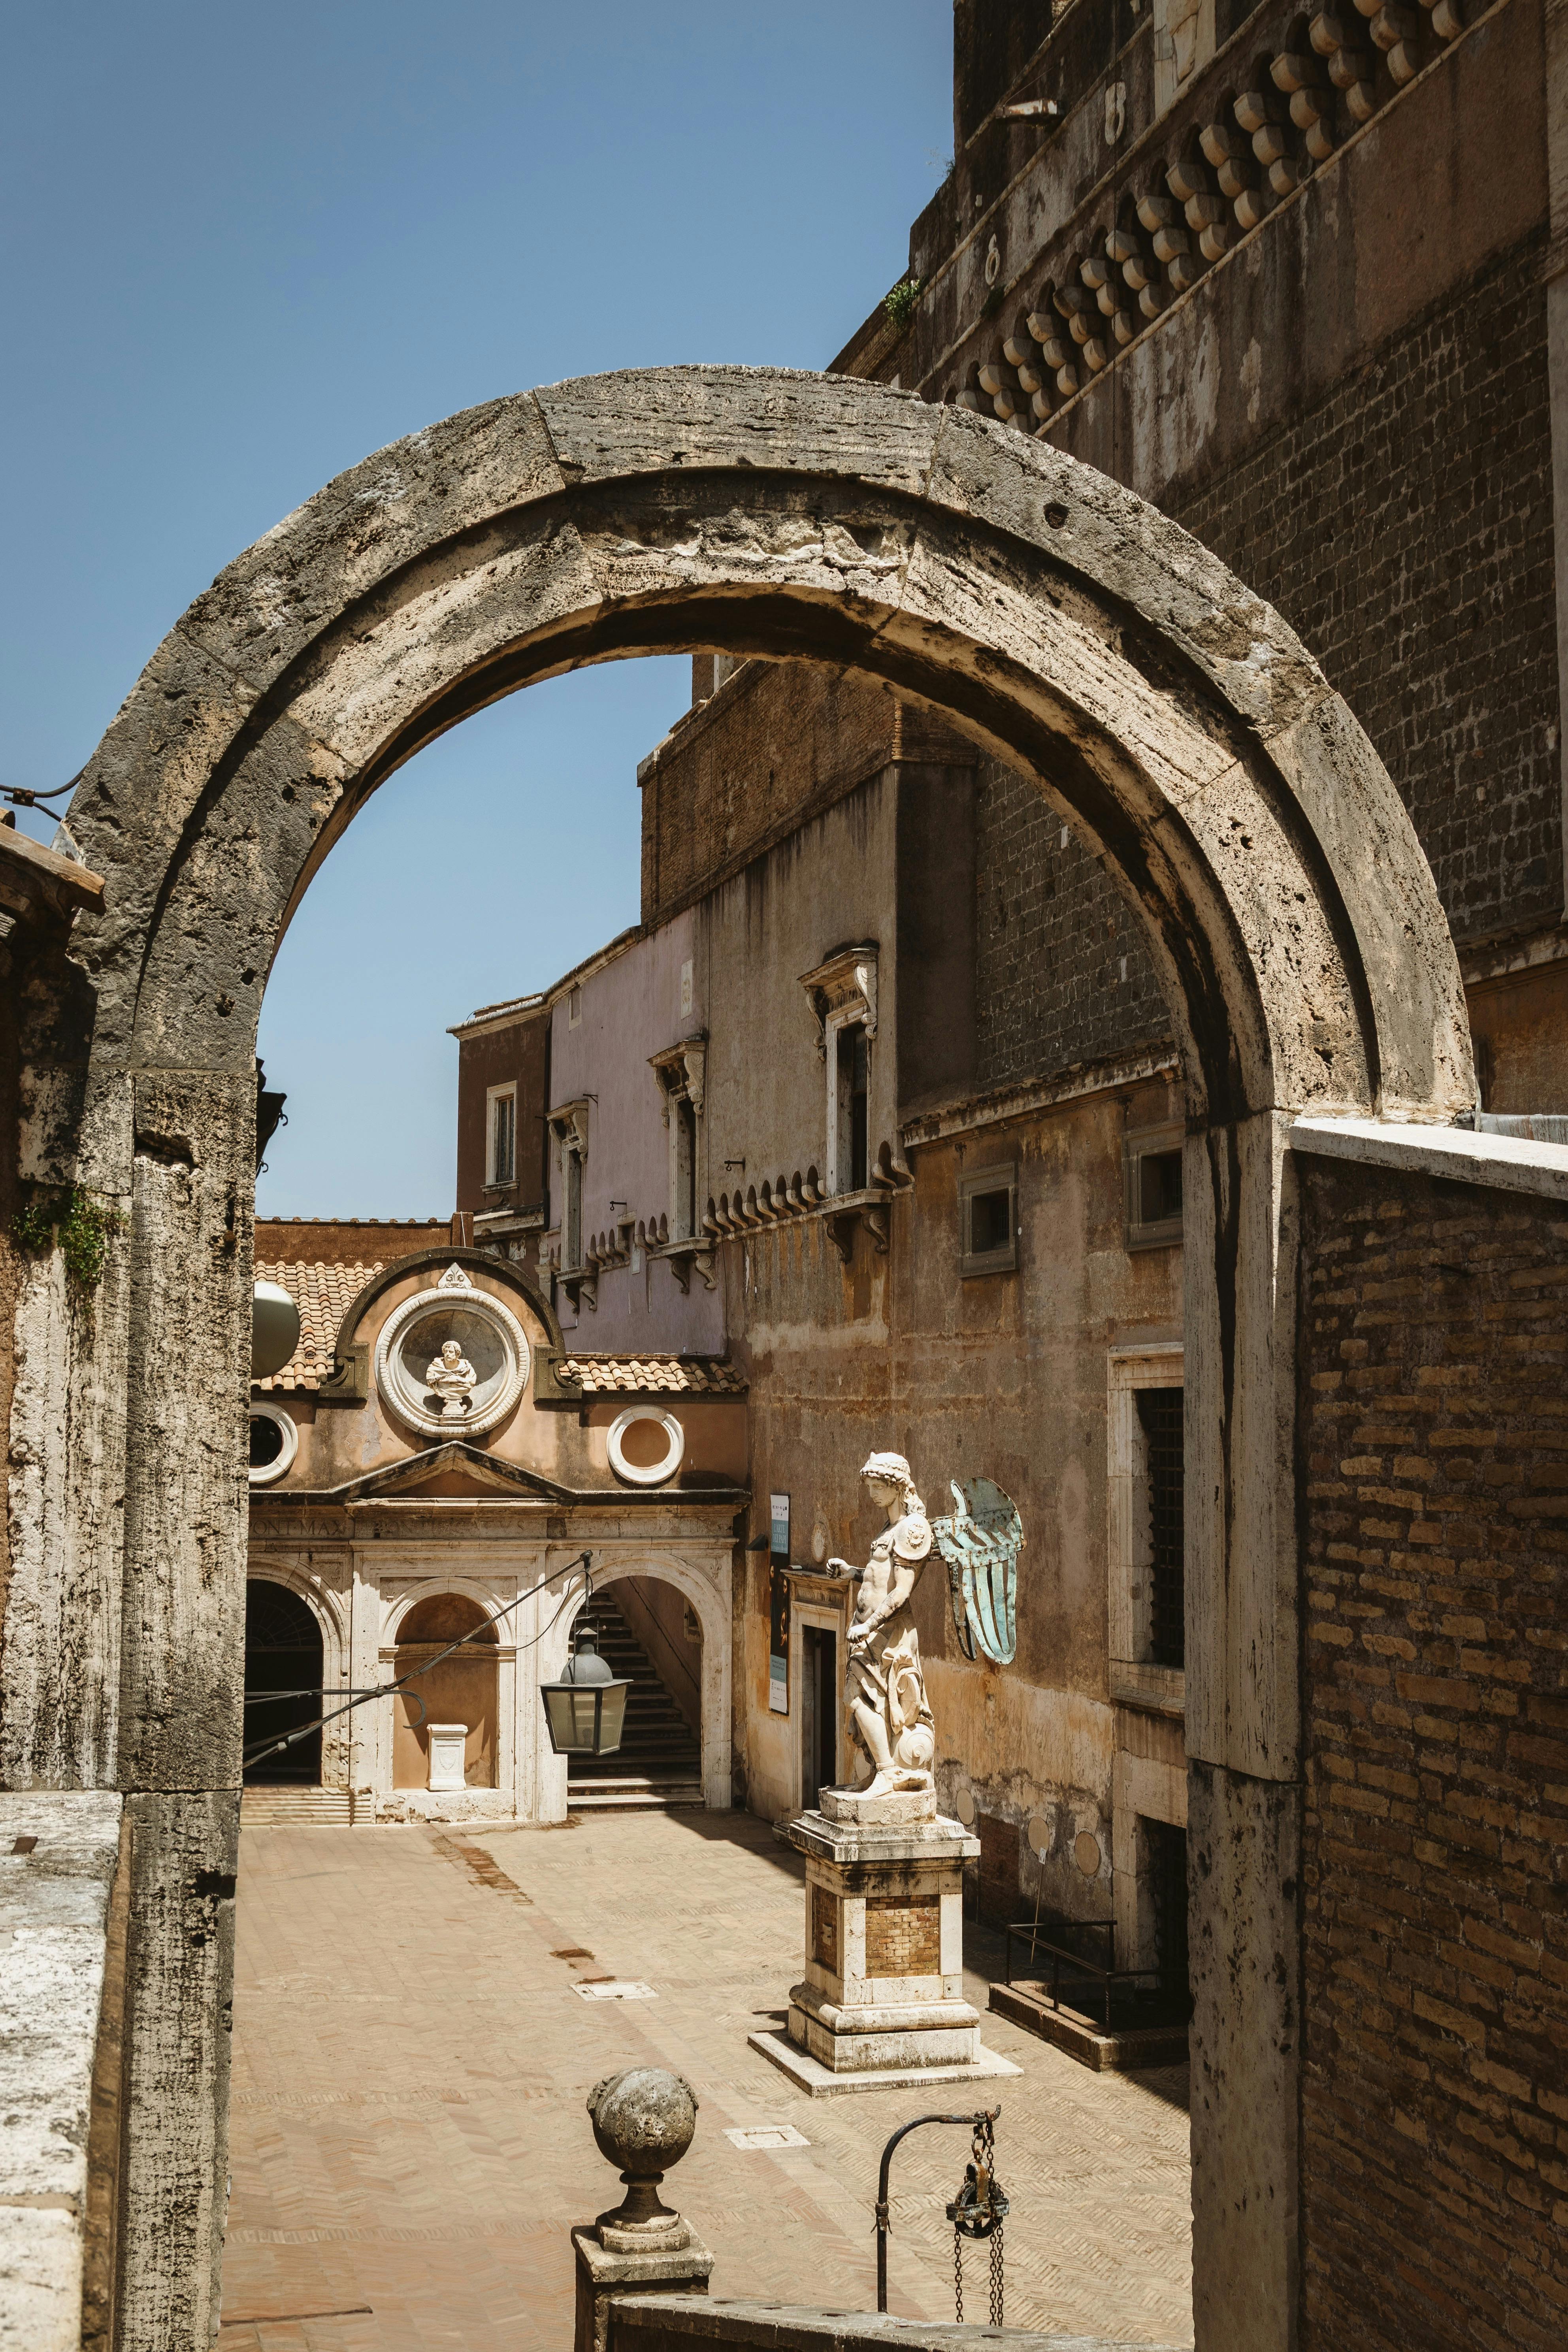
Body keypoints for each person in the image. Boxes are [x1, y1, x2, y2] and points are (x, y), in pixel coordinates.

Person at [825, 1451, 937, 1797]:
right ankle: (880, 1771)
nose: (872, 1493)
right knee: (867, 1701)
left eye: (878, 1486)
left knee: (857, 1697)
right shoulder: (890, 1526)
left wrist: (868, 1626)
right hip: (871, 1631)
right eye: (870, 1486)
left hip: (890, 1634)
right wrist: (852, 1573)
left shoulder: (914, 1529)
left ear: (896, 1486)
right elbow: (879, 1580)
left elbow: (901, 1593)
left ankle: (889, 1772)